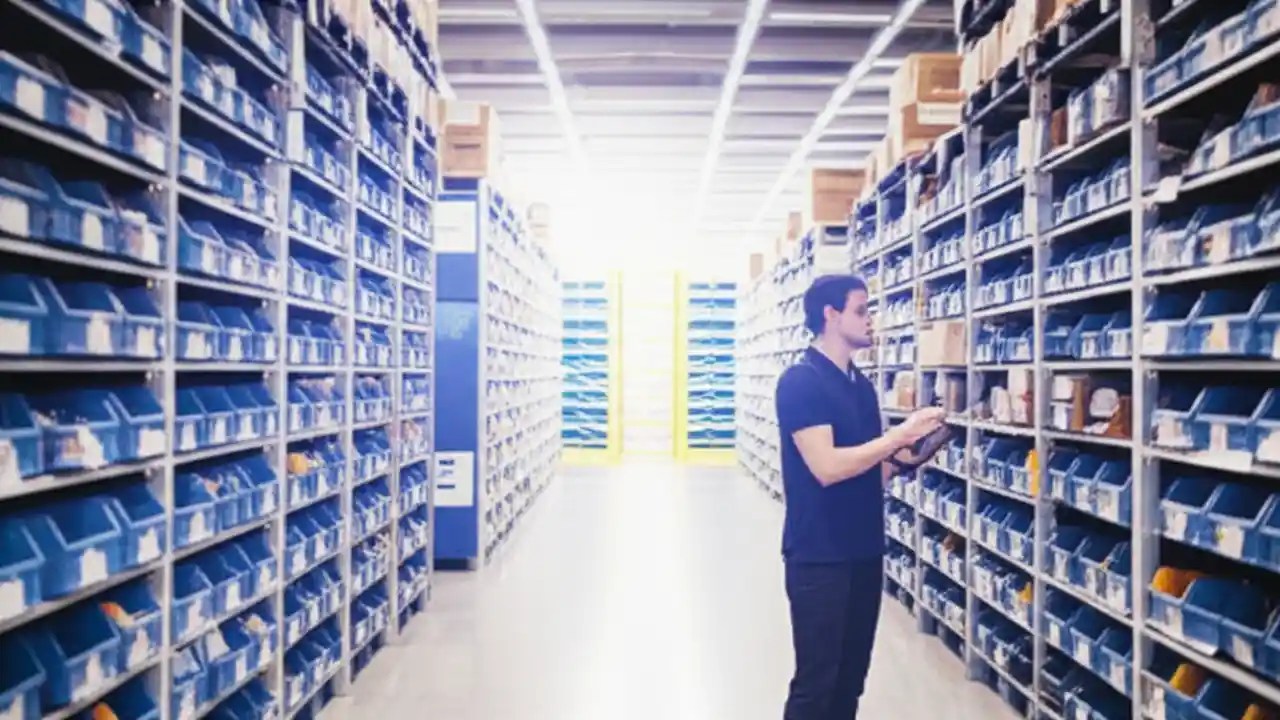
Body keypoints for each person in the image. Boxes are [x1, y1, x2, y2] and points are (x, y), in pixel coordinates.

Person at [774, 274, 948, 719]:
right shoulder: (801, 382)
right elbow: (827, 467)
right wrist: (898, 436)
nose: (870, 319)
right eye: (861, 310)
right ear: (830, 315)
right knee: (816, 684)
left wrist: (915, 452)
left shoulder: (861, 386)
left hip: (864, 551)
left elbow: (873, 472)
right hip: (819, 557)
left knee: (850, 682)